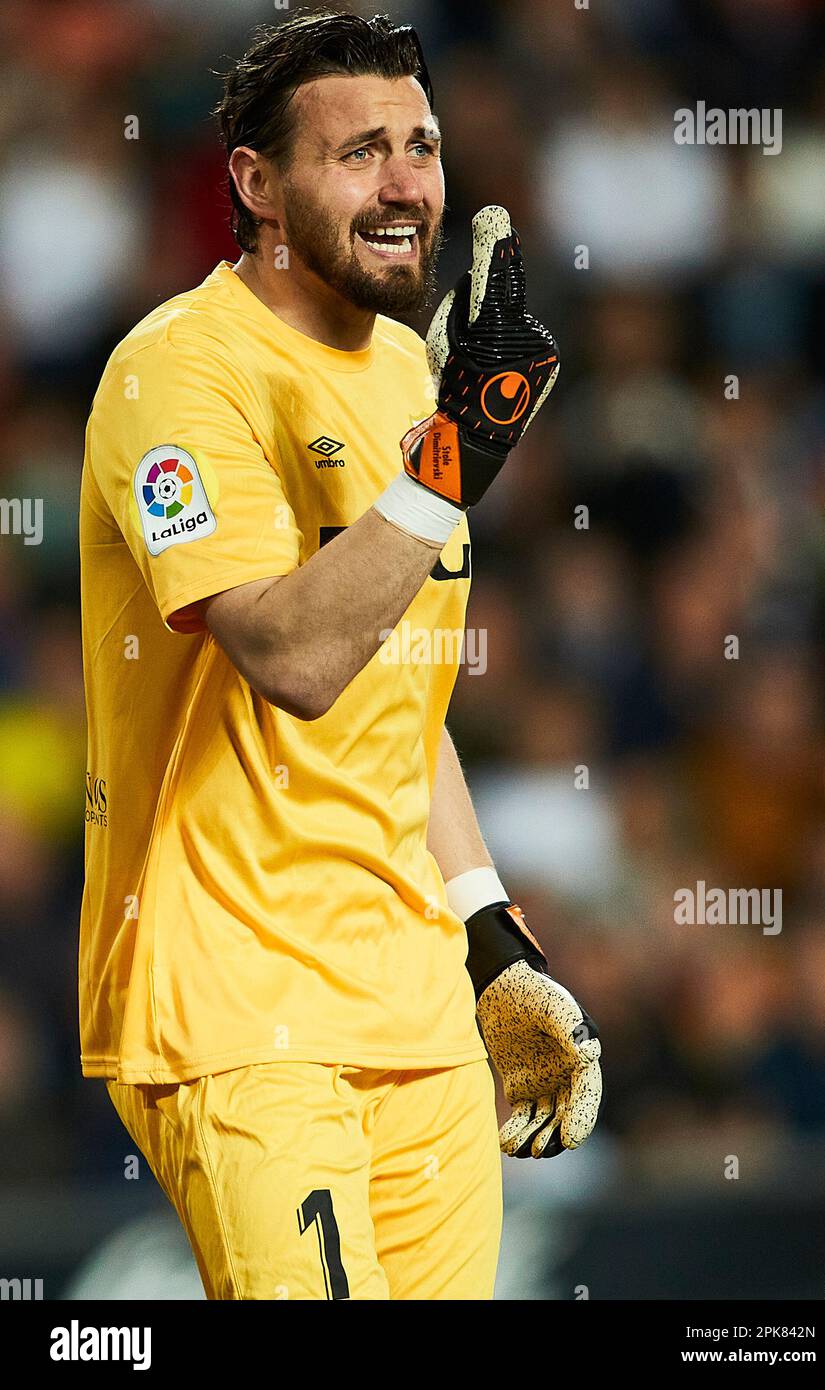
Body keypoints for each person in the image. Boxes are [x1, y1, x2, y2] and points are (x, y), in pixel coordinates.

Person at [78, 7, 602, 1301]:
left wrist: (488, 933)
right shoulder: (175, 374)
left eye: (419, 145)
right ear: (255, 185)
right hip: (238, 1008)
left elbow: (394, 700)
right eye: (358, 150)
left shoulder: (402, 381)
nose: (405, 182)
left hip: (418, 1013)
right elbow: (291, 655)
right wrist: (450, 469)